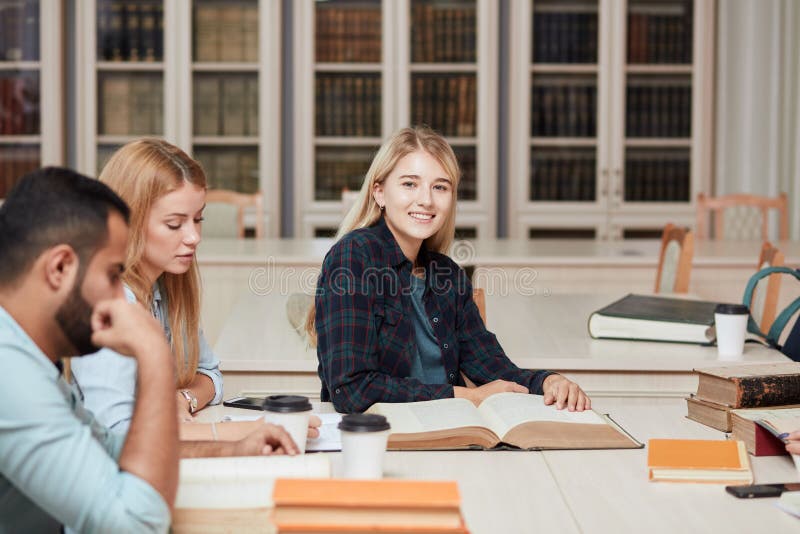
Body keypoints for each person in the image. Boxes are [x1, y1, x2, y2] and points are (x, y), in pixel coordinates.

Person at [0, 168, 298, 532]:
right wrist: (153, 354)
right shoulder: (9, 371)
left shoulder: (24, 355)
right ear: (59, 268)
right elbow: (135, 526)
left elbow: (110, 447)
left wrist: (231, 450)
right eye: (113, 275)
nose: (119, 296)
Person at [309, 126, 591, 414]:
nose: (426, 200)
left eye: (440, 187)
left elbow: (492, 368)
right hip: (381, 433)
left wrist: (548, 382)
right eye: (410, 184)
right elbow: (352, 390)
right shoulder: (353, 256)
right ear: (379, 193)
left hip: (449, 428)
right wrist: (467, 397)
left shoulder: (448, 275)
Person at [70, 139, 224, 430]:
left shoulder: (166, 288)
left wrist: (183, 399)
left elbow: (210, 373)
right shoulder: (106, 303)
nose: (194, 237)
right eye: (175, 224)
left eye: (198, 219)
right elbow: (118, 430)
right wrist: (228, 434)